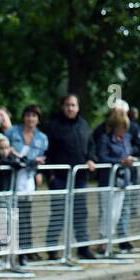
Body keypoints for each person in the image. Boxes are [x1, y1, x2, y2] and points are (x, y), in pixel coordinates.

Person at [43, 95, 97, 259]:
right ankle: (52, 249)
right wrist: (50, 175)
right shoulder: (53, 126)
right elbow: (46, 152)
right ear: (62, 107)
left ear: (78, 107)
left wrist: (91, 159)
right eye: (67, 105)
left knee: (81, 213)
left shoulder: (84, 125)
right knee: (58, 214)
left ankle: (83, 247)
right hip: (59, 178)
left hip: (79, 177)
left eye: (73, 105)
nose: (70, 108)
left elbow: (91, 146)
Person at [92, 105, 139, 252]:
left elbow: (130, 151)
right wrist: (119, 162)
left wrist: (129, 159)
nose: (123, 131)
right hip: (108, 180)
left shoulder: (127, 139)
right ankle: (104, 241)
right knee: (108, 212)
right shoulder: (105, 139)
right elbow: (102, 157)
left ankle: (109, 240)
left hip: (122, 180)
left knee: (118, 213)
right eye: (121, 127)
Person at [5, 105, 48, 262]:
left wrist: (37, 170)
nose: (31, 119)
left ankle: (25, 251)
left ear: (38, 119)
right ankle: (8, 251)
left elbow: (40, 159)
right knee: (10, 215)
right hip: (12, 177)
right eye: (28, 115)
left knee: (25, 215)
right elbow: (5, 150)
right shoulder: (12, 132)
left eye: (34, 116)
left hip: (28, 178)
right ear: (24, 117)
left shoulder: (42, 138)